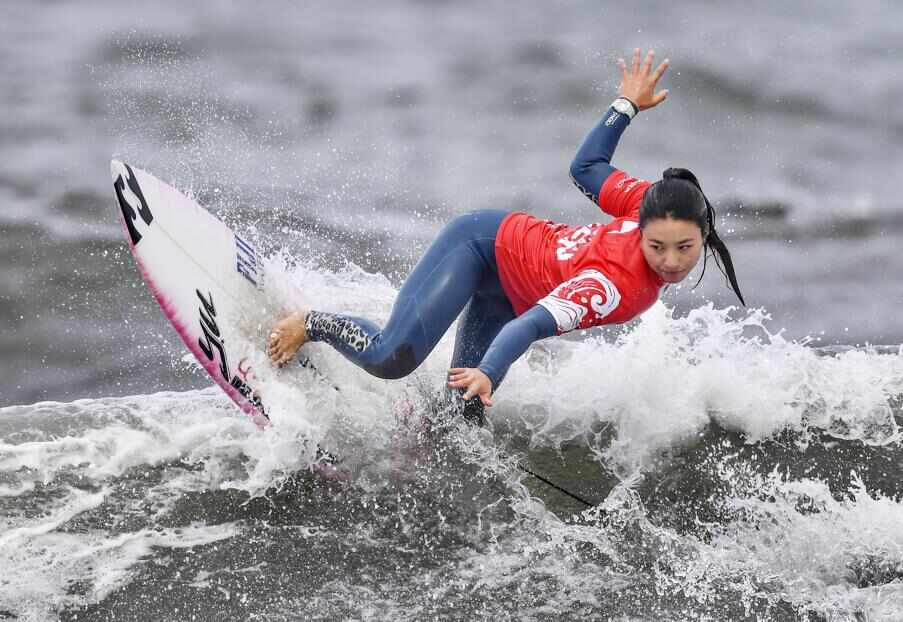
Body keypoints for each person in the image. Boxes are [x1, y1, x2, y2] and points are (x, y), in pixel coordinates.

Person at [267, 49, 744, 424]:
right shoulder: (621, 283)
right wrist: (624, 107)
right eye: (656, 246)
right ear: (641, 228)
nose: (670, 261)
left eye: (684, 248)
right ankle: (309, 323)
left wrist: (482, 379)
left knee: (464, 415)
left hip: (509, 289)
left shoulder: (653, 207)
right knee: (392, 357)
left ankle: (410, 438)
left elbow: (586, 169)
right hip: (481, 247)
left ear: (704, 233)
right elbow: (530, 325)